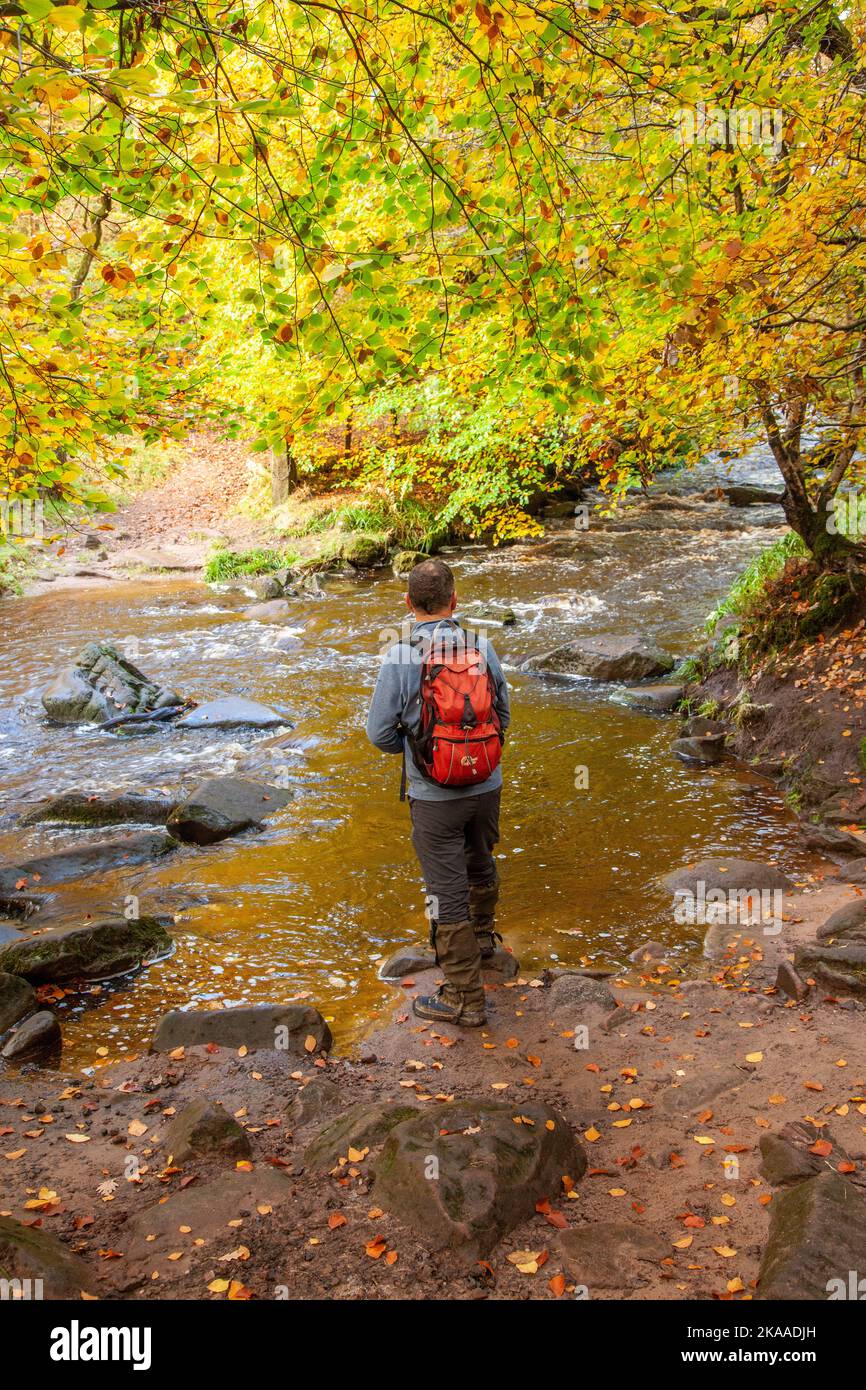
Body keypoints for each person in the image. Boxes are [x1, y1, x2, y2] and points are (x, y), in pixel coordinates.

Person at [365, 557, 511, 1026]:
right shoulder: (481, 647)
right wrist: (478, 756)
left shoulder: (401, 655)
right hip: (487, 783)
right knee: (481, 859)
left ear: (408, 603)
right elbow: (503, 716)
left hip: (434, 794)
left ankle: (465, 999)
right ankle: (485, 942)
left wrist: (418, 755)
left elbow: (378, 733)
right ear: (455, 601)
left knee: (445, 892)